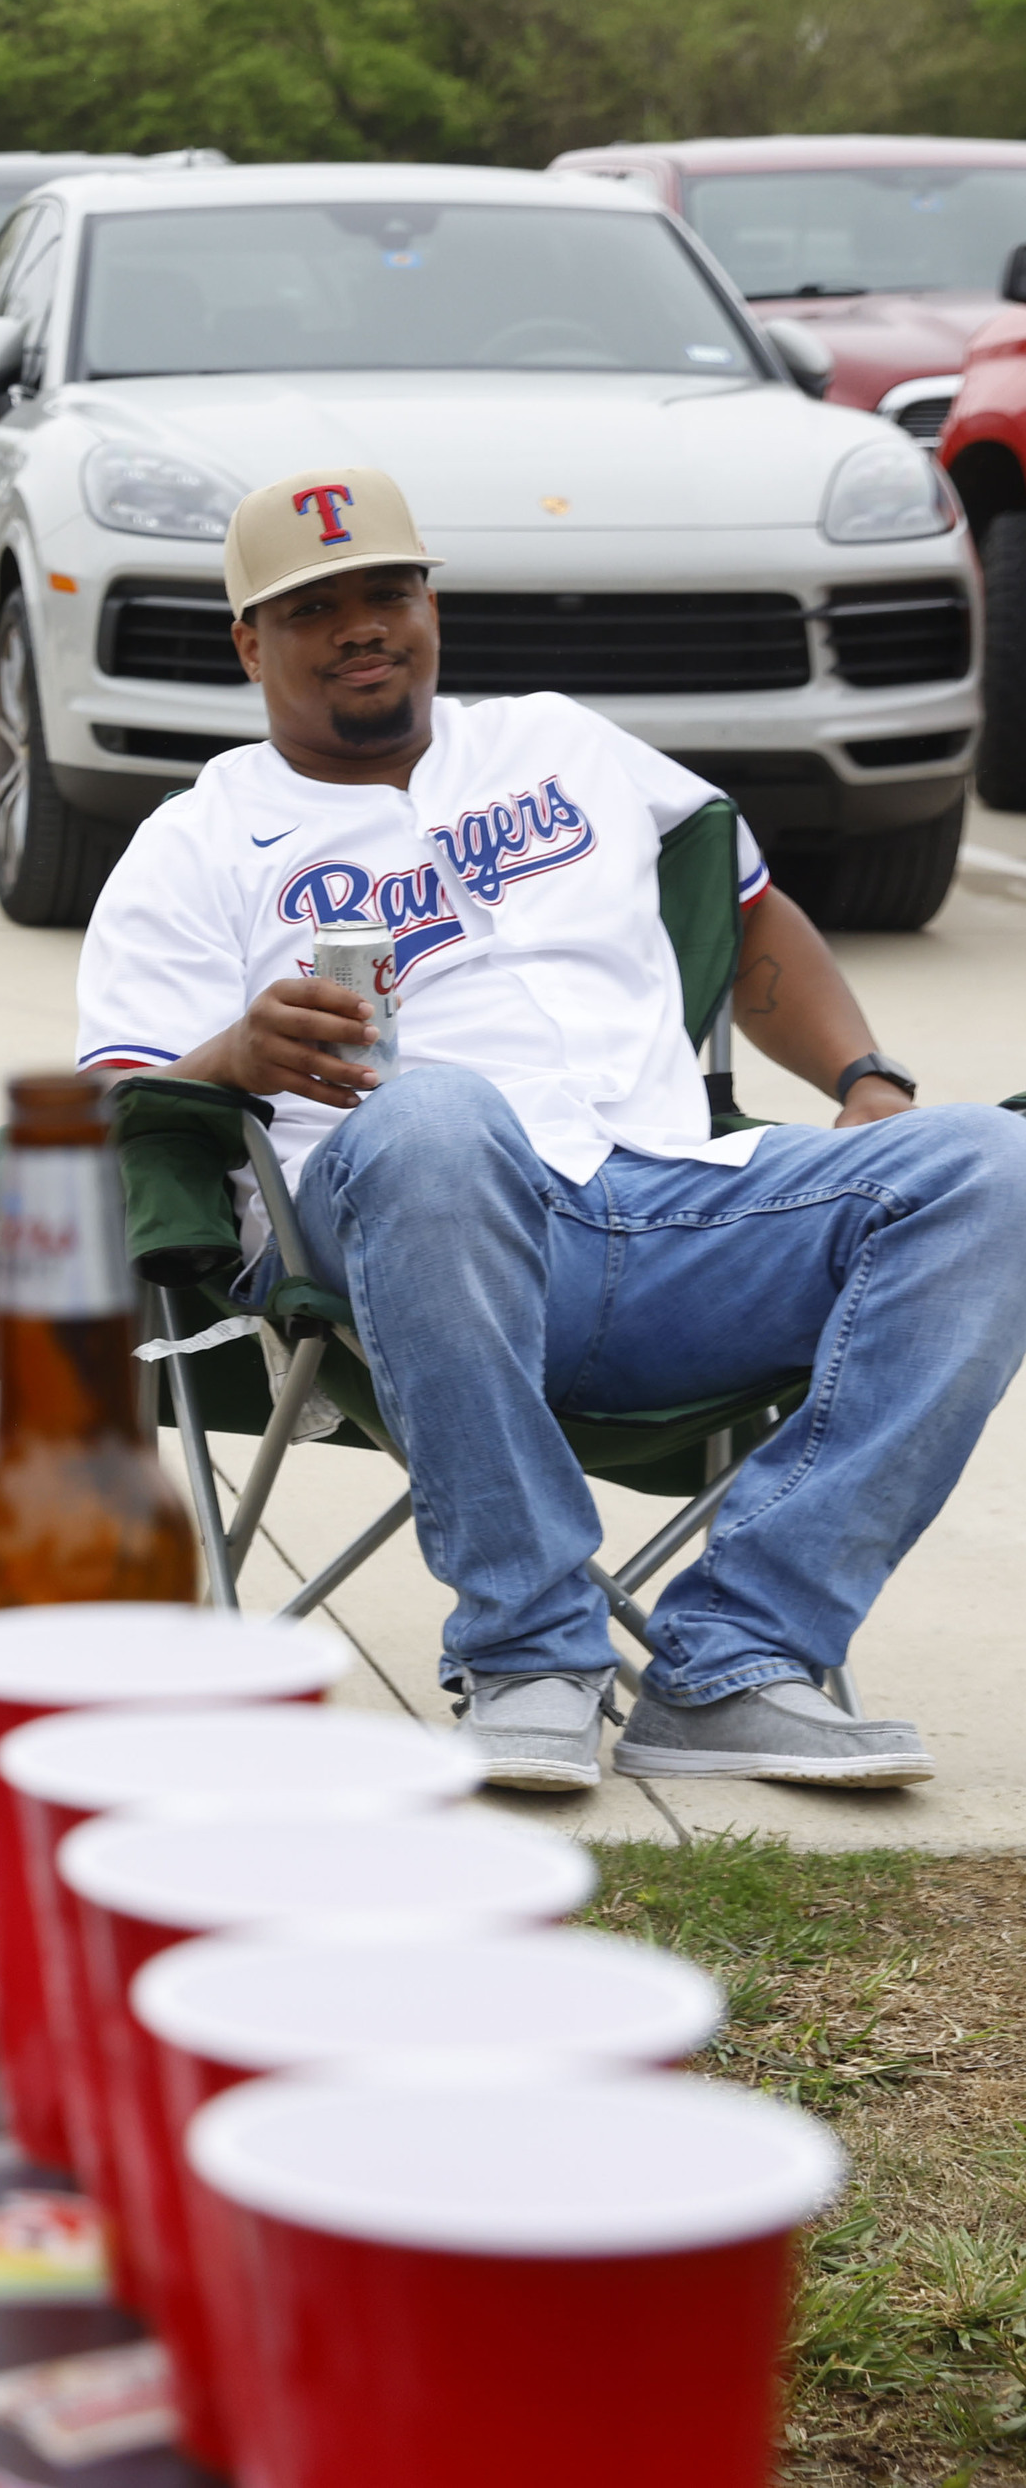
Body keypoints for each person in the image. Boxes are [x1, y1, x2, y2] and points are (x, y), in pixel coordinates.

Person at [75, 466, 1026, 1792]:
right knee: (438, 1115)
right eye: (313, 607)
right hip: (415, 1234)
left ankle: (739, 1658)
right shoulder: (200, 843)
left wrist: (864, 1073)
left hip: (681, 1207)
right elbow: (112, 1103)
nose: (363, 624)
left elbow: (751, 914)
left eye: (387, 591)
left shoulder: (560, 742)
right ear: (250, 643)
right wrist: (233, 1053)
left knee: (994, 1165)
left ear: (430, 605)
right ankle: (529, 1651)